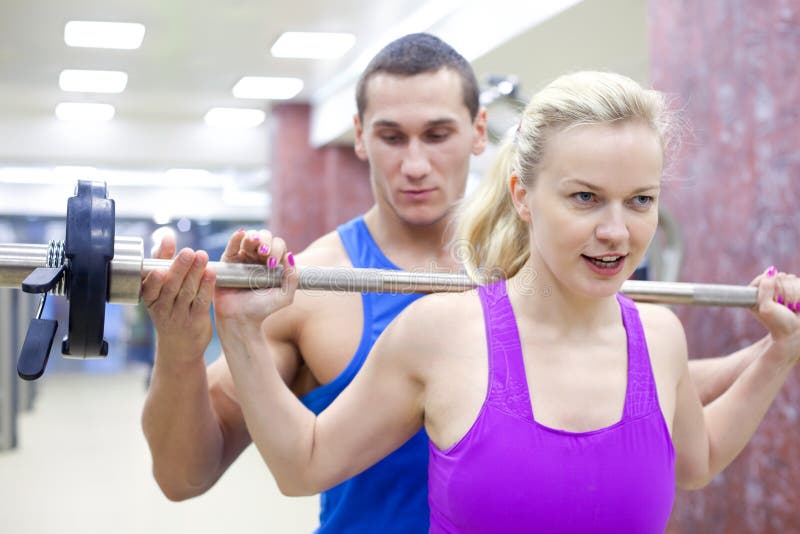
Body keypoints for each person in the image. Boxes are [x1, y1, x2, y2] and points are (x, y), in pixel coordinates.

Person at [140, 34, 789, 532]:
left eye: (438, 134)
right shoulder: (324, 288)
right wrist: (188, 341)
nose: (416, 163)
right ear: (360, 138)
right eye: (393, 137)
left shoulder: (574, 285)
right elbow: (191, 473)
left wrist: (770, 352)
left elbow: (643, 403)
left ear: (479, 134)